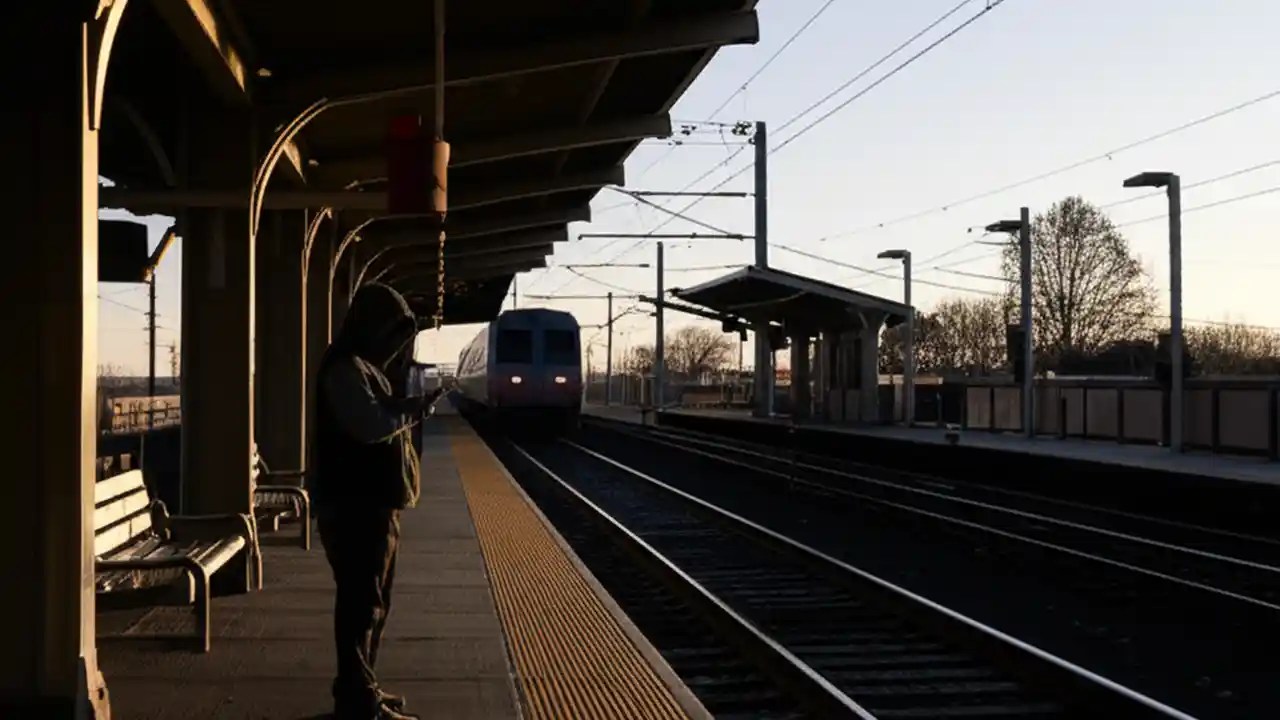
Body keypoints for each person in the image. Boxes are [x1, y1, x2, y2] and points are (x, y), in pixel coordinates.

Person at [312, 283, 441, 720]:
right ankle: (357, 701)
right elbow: (368, 424)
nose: (393, 348)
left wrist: (407, 404)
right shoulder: (344, 369)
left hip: (370, 503)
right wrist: (412, 410)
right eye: (390, 336)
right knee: (360, 604)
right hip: (354, 505)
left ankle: (363, 690)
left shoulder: (362, 367)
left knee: (371, 602)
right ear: (370, 326)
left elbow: (378, 412)